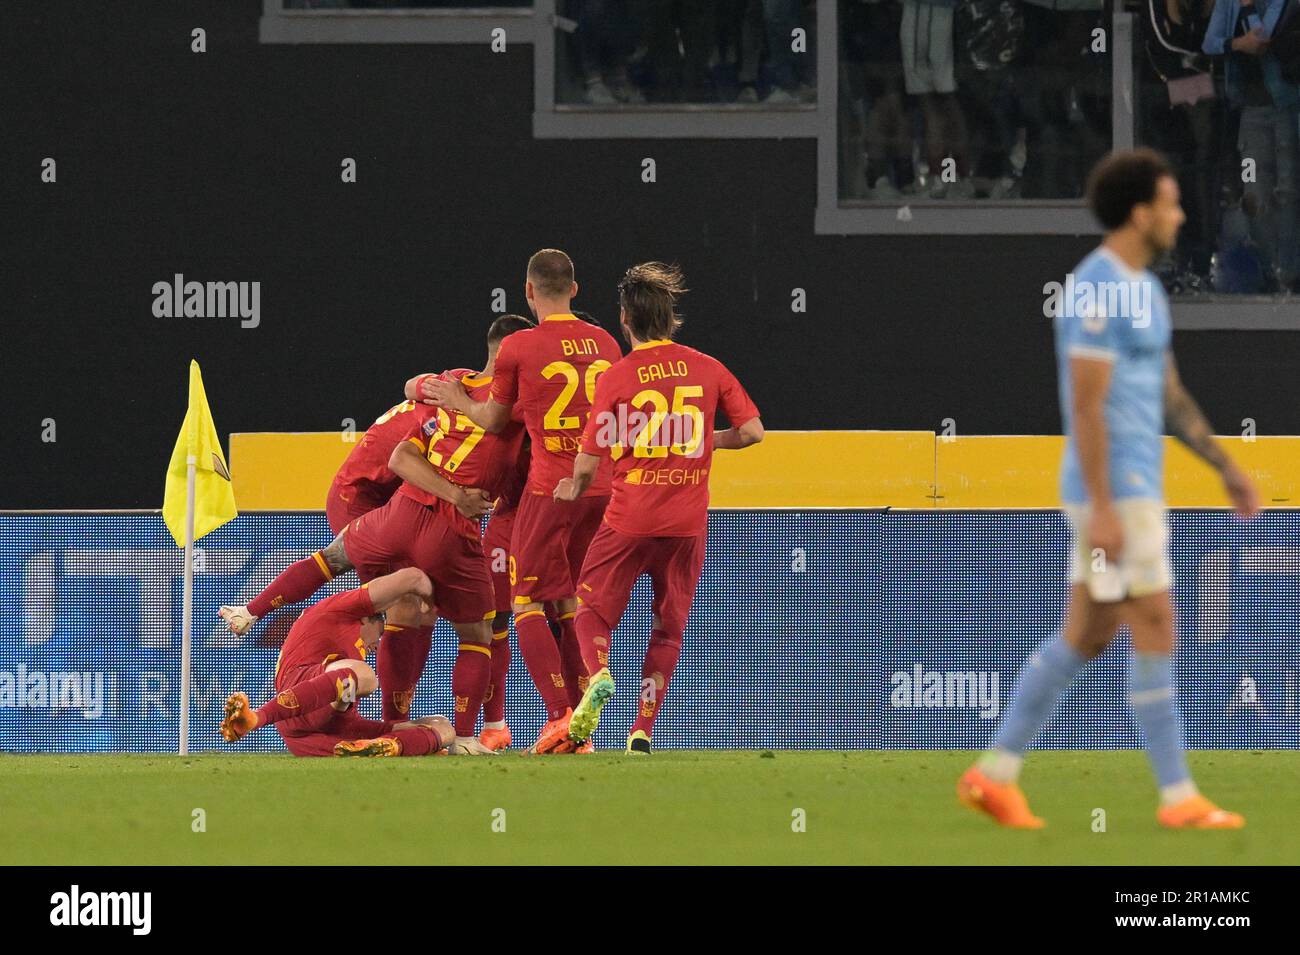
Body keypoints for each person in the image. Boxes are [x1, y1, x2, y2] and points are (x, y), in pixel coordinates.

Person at [959, 149, 1260, 829]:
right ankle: (1178, 796)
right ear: (1140, 211)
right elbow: (1087, 405)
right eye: (1171, 203)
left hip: (1126, 489)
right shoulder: (1096, 286)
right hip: (1115, 492)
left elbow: (1170, 395)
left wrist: (1225, 466)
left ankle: (994, 772)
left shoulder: (1145, 289)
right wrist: (1099, 508)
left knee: (1089, 632)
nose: (1181, 215)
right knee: (1155, 623)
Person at [554, 262, 764, 754]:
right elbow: (754, 432)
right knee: (667, 629)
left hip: (629, 519)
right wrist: (705, 440)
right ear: (671, 319)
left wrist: (572, 487)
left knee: (590, 613)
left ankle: (601, 675)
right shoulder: (708, 367)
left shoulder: (618, 376)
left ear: (625, 320)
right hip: (686, 524)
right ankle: (642, 730)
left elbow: (588, 460)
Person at [424, 250, 624, 754]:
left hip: (550, 490)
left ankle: (560, 717)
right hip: (603, 489)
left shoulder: (519, 346)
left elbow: (493, 420)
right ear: (575, 289)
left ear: (529, 291)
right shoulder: (606, 343)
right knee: (571, 602)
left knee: (526, 601)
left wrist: (456, 400)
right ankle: (584, 731)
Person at [219, 567, 455, 758]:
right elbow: (410, 577)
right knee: (365, 675)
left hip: (313, 737)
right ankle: (256, 718)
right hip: (296, 704)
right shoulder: (339, 609)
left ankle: (391, 747)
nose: (377, 645)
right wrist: (427, 596)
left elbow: (343, 711)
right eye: (380, 633)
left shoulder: (346, 660)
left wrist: (404, 735)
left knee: (444, 727)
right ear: (367, 617)